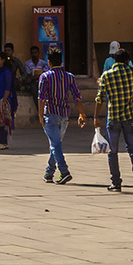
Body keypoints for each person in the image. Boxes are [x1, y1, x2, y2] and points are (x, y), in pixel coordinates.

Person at [93, 51, 133, 192]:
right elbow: (130, 70)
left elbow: (100, 98)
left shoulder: (107, 75)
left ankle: (116, 182)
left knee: (112, 151)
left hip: (113, 118)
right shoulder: (131, 72)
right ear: (127, 61)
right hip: (129, 117)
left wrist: (96, 117)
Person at [36, 49, 84, 185]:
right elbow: (77, 96)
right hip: (64, 114)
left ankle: (64, 171)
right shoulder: (69, 76)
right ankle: (49, 172)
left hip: (51, 114)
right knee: (55, 144)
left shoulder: (45, 76)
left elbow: (41, 98)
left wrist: (40, 115)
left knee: (55, 144)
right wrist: (82, 113)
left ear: (49, 62)